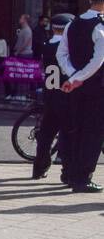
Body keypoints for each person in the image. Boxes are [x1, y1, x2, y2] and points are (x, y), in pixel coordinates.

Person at [56, 0, 104, 194]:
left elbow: (61, 54)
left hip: (75, 88)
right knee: (92, 133)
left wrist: (73, 76)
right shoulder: (101, 26)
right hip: (96, 87)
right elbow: (99, 60)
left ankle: (70, 174)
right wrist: (80, 77)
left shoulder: (72, 24)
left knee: (74, 129)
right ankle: (83, 177)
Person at [33, 13, 73, 181]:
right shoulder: (67, 49)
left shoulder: (46, 45)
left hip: (49, 94)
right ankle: (68, 171)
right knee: (69, 133)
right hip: (65, 95)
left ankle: (39, 168)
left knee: (46, 135)